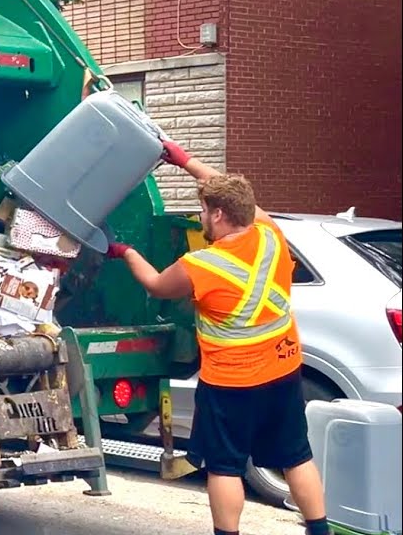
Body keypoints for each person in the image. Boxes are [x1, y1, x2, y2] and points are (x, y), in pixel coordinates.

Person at [107, 140, 329, 535]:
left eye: (205, 211)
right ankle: (319, 529)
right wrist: (185, 161)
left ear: (220, 215)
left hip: (231, 384)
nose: (200, 216)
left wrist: (124, 252)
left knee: (225, 467)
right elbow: (228, 190)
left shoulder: (201, 266)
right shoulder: (270, 236)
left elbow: (157, 285)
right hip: (283, 371)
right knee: (297, 456)